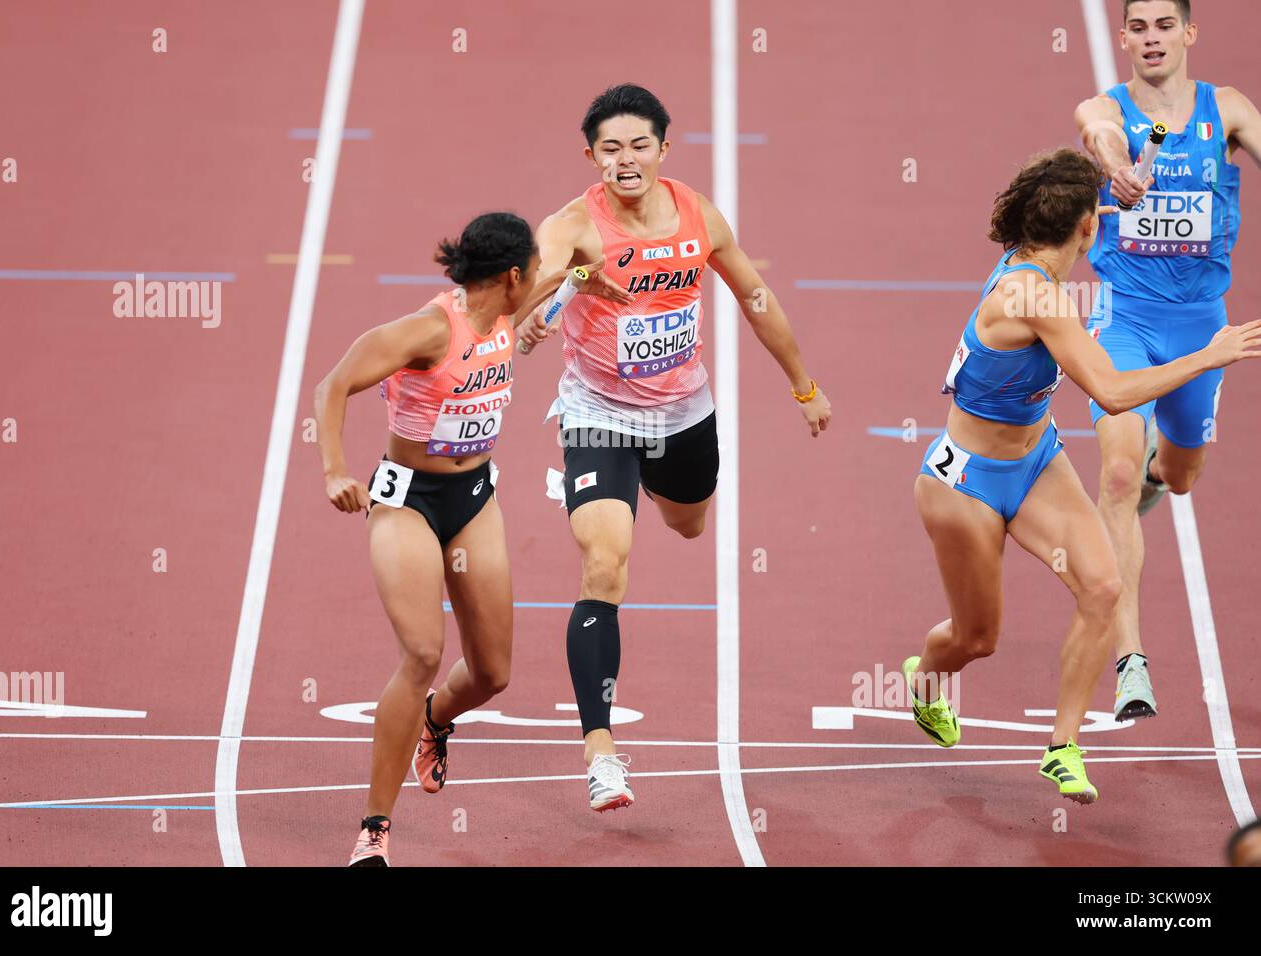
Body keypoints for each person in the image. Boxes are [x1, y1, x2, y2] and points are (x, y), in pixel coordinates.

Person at [906, 147, 1261, 803]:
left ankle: (1062, 747)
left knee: (1101, 588)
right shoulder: (1037, 298)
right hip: (964, 484)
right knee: (976, 639)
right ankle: (924, 680)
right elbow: (1115, 390)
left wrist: (1111, 194)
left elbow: (1062, 198)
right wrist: (1209, 356)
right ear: (1086, 233)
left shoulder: (1033, 249)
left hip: (1036, 461)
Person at [516, 83, 831, 812]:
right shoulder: (572, 226)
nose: (625, 160)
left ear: (663, 146)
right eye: (609, 149)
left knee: (688, 524)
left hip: (684, 413)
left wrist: (803, 387)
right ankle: (601, 755)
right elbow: (514, 295)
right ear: (590, 156)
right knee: (605, 563)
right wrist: (529, 315)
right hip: (597, 414)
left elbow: (756, 298)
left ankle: (638, 487)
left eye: (638, 145)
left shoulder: (699, 216)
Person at [314, 213, 612, 865]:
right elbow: (332, 384)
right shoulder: (426, 331)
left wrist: (590, 281)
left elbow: (562, 278)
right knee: (422, 652)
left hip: (474, 500)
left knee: (492, 674)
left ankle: (435, 719)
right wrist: (335, 469)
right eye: (529, 272)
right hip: (407, 501)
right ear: (509, 277)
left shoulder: (507, 306)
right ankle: (373, 829)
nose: (535, 281)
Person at [1074, 0, 1261, 721]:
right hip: (1124, 315)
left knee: (1178, 476)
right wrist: (1117, 169)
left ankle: (1161, 470)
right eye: (1139, 28)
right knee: (1115, 471)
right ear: (1122, 38)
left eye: (1164, 26)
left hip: (1201, 330)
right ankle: (1131, 665)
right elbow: (1101, 134)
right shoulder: (1106, 109)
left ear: (1188, 32)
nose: (1151, 39)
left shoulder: (1229, 111)